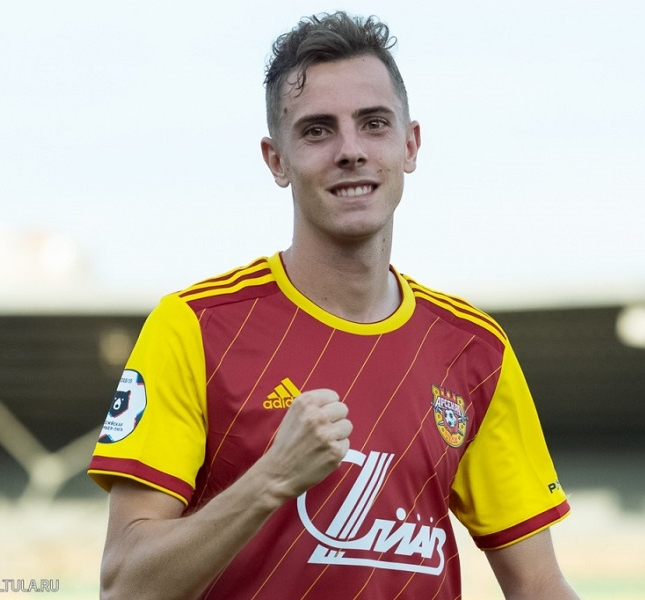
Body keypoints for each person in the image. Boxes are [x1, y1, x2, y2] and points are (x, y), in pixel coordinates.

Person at [88, 11, 578, 600]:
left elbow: (539, 585)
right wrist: (271, 479)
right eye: (318, 131)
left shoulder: (474, 350)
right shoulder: (194, 327)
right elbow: (125, 587)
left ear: (410, 144)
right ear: (276, 160)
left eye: (374, 124)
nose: (351, 151)